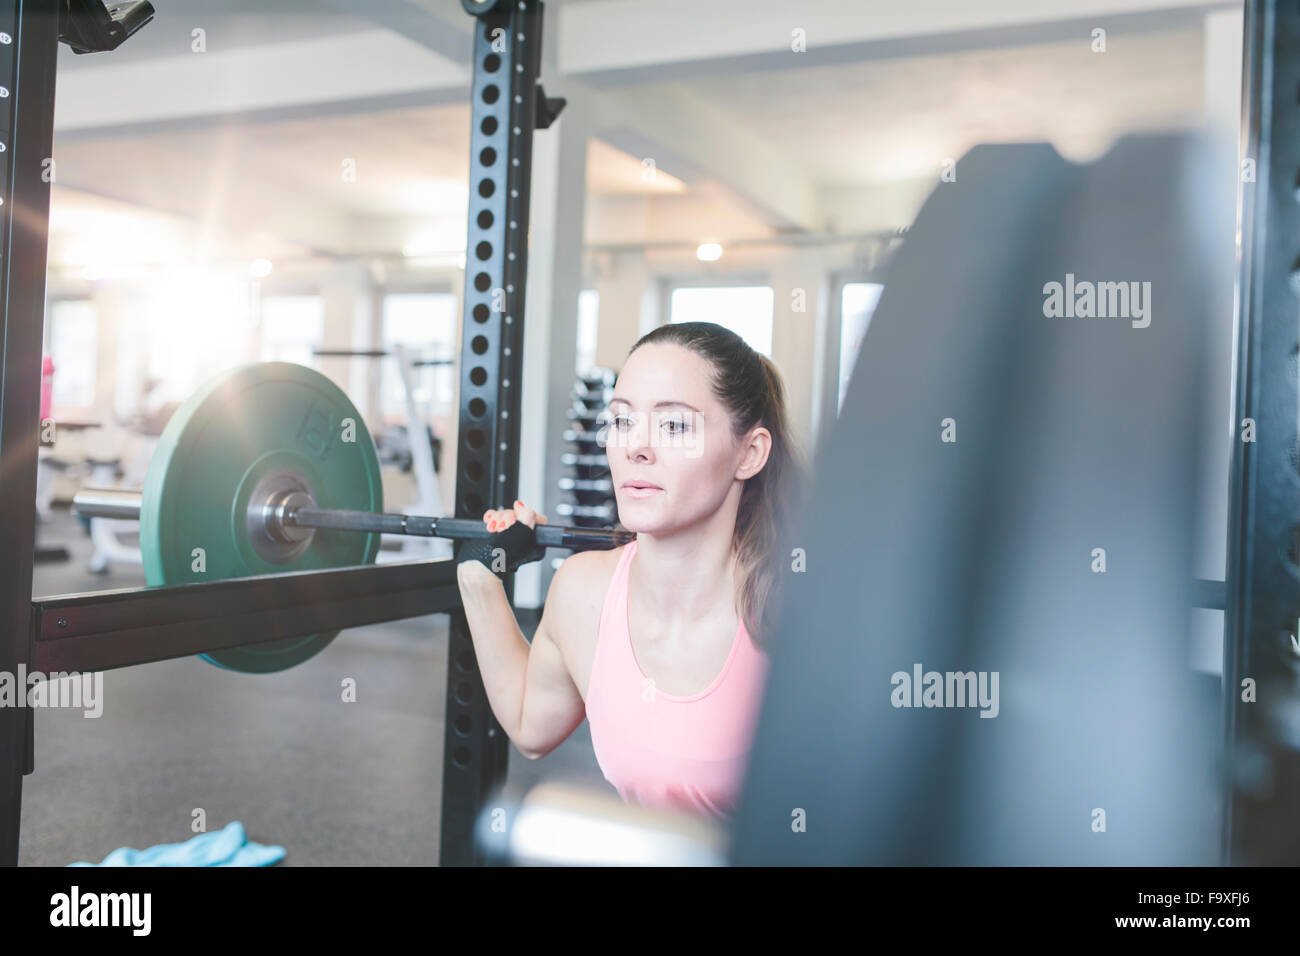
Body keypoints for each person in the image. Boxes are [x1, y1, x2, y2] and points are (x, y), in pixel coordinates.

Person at [456, 321, 805, 819]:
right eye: (621, 421)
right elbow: (531, 727)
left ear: (749, 453)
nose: (635, 448)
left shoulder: (792, 609)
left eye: (674, 426)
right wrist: (478, 577)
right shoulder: (583, 591)